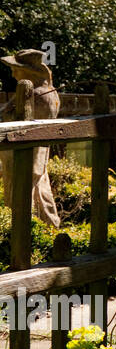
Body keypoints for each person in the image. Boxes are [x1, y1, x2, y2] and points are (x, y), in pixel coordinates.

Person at [0, 48, 61, 226]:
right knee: (40, 191)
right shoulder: (49, 92)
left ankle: (27, 232)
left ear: (27, 71)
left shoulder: (32, 94)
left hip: (23, 152)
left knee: (21, 194)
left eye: (15, 68)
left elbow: (12, 119)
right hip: (38, 152)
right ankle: (48, 229)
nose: (12, 72)